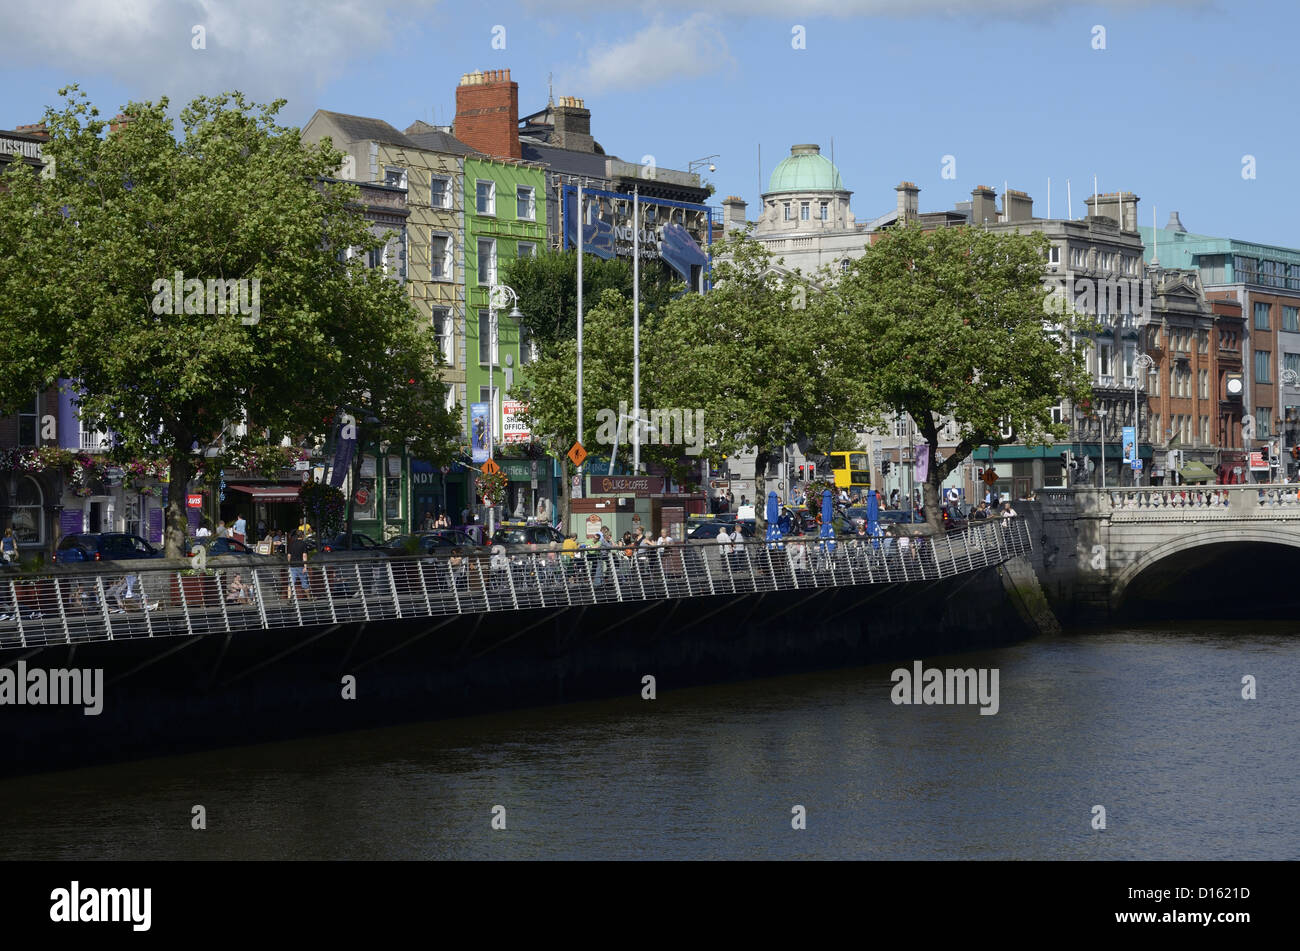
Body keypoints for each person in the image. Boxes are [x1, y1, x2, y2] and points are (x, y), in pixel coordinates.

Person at [287, 530, 310, 599]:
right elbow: (304, 555)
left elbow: (288, 555)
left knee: (291, 583)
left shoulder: (291, 544)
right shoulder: (304, 544)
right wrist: (305, 566)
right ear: (302, 536)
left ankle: (289, 598)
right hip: (301, 566)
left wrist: (289, 564)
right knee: (304, 582)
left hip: (292, 566)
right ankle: (309, 597)